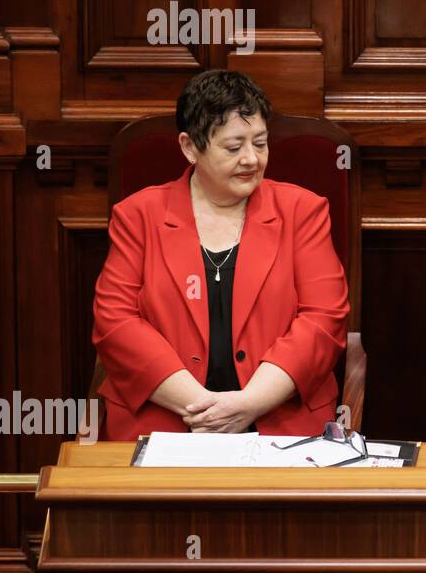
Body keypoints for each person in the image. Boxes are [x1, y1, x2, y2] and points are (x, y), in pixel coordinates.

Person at [92, 70, 349, 439]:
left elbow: (324, 320)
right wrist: (204, 409)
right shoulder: (139, 216)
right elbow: (114, 322)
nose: (251, 159)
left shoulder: (302, 211)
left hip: (280, 423)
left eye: (260, 144)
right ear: (189, 147)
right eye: (234, 147)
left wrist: (249, 404)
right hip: (164, 422)